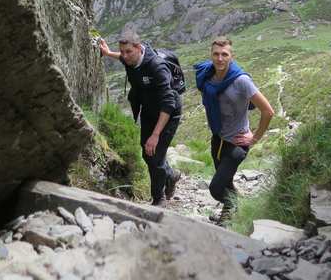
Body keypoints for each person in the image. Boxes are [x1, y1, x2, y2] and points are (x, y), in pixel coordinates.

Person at [195, 36, 274, 223]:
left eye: (224, 54)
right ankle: (229, 213)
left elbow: (268, 111)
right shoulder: (207, 74)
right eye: (216, 54)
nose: (220, 59)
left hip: (237, 144)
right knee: (226, 182)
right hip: (218, 139)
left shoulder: (241, 81)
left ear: (232, 56)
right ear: (210, 55)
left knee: (216, 188)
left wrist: (254, 139)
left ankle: (234, 206)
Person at [99, 30, 182, 207]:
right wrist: (108, 53)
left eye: (128, 51)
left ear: (139, 47)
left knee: (155, 155)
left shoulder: (156, 66)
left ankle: (159, 198)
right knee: (146, 153)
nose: (125, 56)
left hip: (168, 113)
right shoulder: (130, 58)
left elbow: (169, 102)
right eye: (122, 51)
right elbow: (122, 57)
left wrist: (156, 134)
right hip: (149, 110)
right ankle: (171, 175)